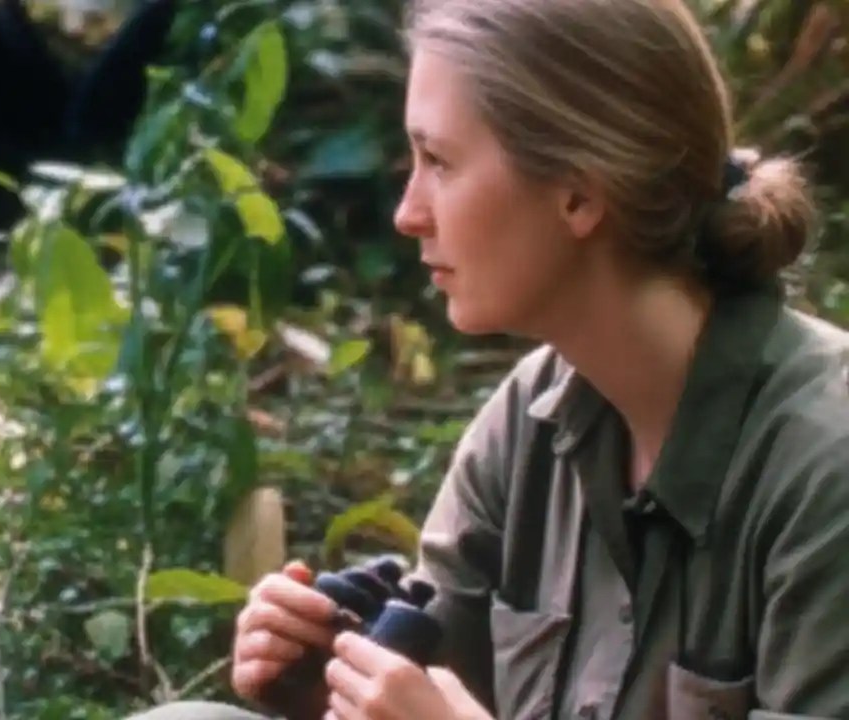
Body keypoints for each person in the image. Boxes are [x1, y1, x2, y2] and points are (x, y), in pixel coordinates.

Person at [130, 0, 849, 717]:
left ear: (578, 191)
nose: (407, 212)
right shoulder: (535, 415)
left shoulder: (826, 465)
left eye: (438, 161)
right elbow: (434, 675)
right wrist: (331, 677)